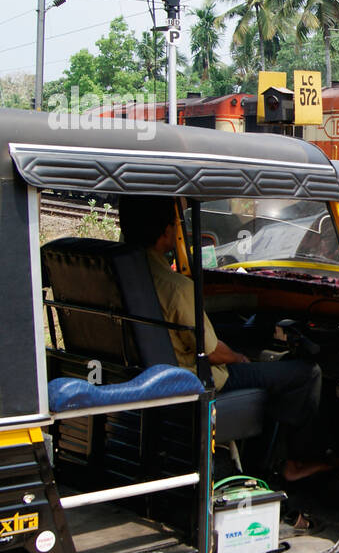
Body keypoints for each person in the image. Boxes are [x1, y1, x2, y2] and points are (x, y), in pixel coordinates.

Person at [118, 196, 325, 485]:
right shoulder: (175, 287)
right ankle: (293, 462)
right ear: (167, 232)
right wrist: (239, 357)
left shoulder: (125, 275)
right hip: (197, 379)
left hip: (149, 371)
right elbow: (213, 352)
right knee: (305, 373)